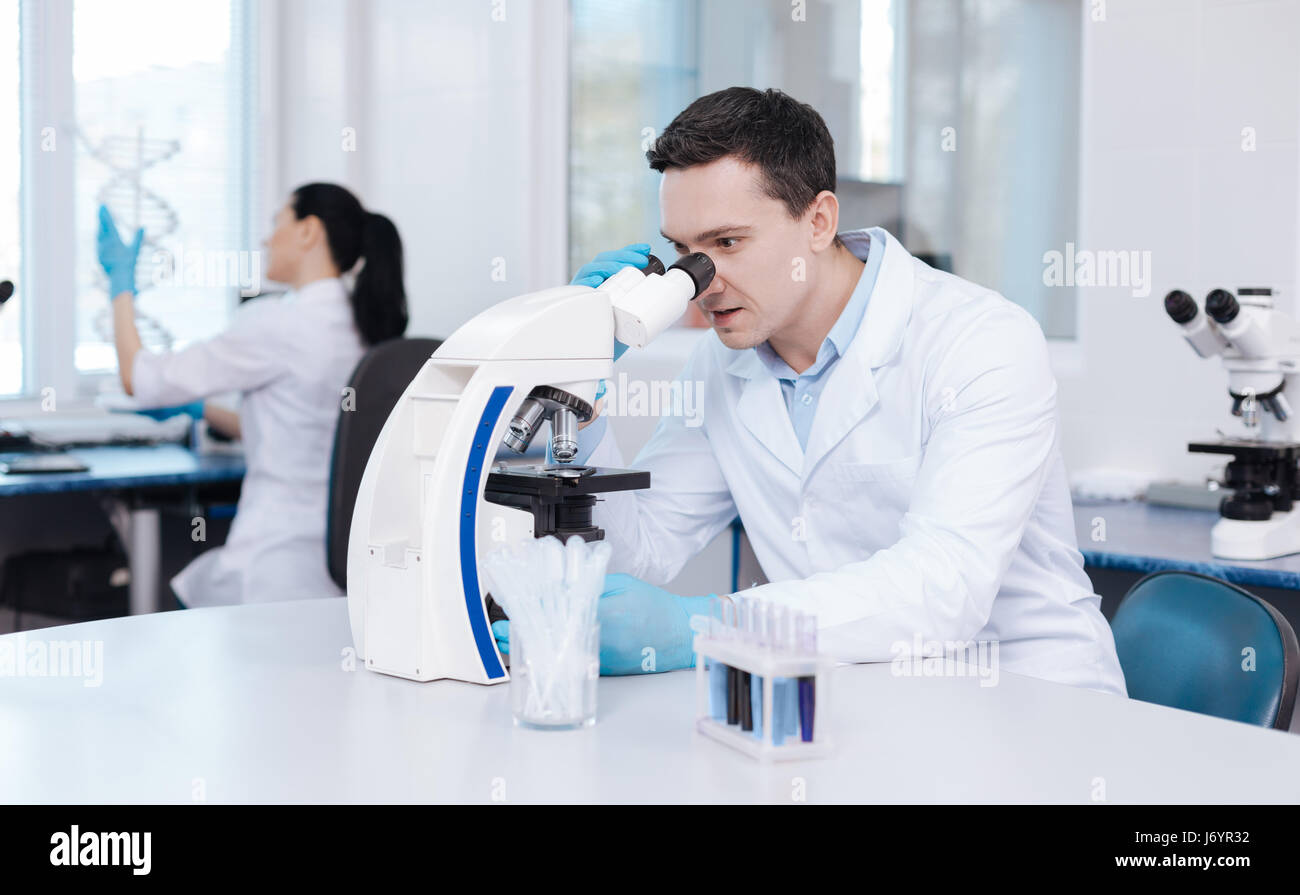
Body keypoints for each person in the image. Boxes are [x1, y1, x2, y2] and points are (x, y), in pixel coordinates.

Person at [496, 87, 1126, 696]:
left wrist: (708, 626)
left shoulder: (981, 341)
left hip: (1031, 701)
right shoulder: (721, 364)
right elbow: (645, 548)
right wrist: (573, 382)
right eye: (682, 250)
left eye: (726, 243)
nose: (700, 281)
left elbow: (945, 587)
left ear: (819, 220)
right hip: (866, 699)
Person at [97, 182, 408, 607]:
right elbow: (305, 427)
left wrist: (120, 287)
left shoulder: (275, 323)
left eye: (276, 222)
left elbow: (139, 378)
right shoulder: (363, 327)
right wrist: (202, 409)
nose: (266, 239)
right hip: (344, 569)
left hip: (271, 564)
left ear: (307, 231)